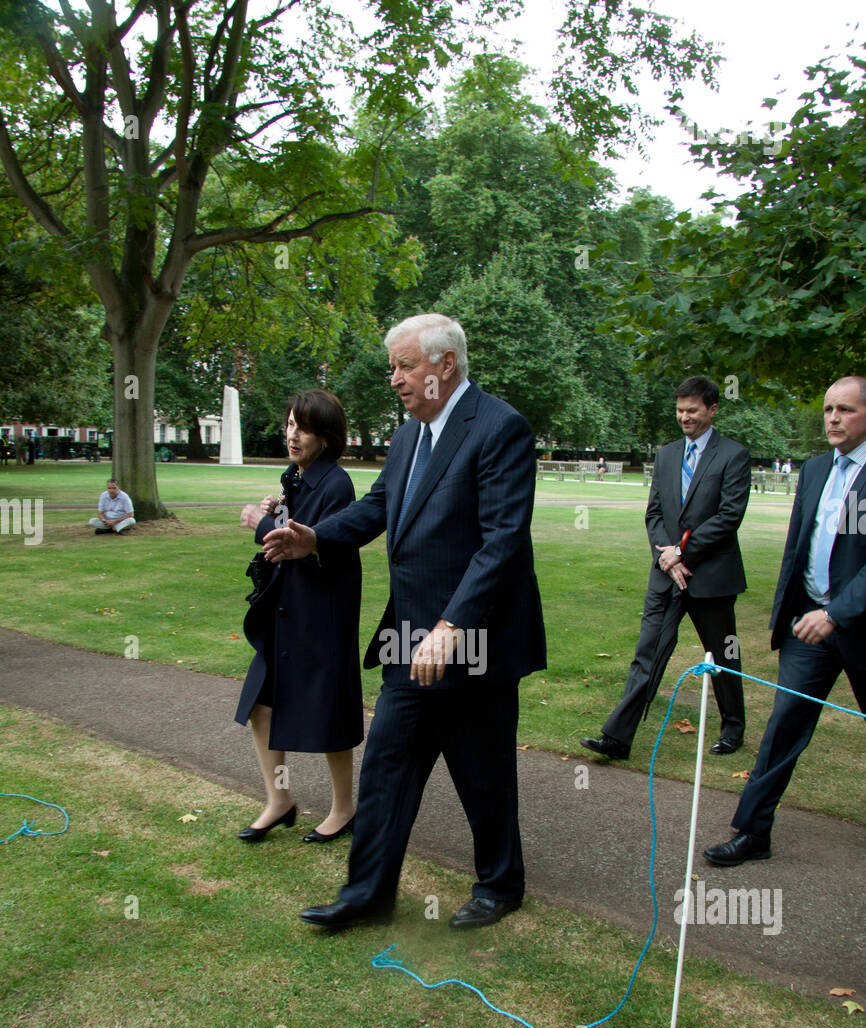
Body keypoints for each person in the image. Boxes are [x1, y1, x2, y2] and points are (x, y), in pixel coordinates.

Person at [263, 313, 546, 930]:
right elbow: (378, 507)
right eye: (394, 366)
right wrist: (315, 539)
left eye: (405, 365)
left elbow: (501, 544)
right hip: (407, 638)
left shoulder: (500, 429)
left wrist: (451, 627)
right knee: (388, 763)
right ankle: (367, 894)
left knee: (483, 772)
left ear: (445, 366)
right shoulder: (406, 436)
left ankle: (500, 885)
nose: (394, 378)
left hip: (474, 641)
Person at [704, 376, 866, 865]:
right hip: (808, 629)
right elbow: (799, 547)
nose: (833, 418)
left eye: (846, 410)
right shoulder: (816, 469)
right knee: (783, 727)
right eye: (828, 409)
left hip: (855, 626)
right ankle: (753, 832)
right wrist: (797, 611)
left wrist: (836, 614)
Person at [581, 375, 751, 761]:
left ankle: (733, 729)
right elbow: (654, 511)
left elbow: (728, 517)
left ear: (712, 409)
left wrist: (682, 554)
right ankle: (618, 738)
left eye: (692, 410)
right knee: (648, 652)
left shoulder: (734, 455)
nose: (685, 417)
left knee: (723, 655)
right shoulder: (668, 454)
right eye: (680, 410)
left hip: (710, 577)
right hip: (664, 574)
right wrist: (665, 555)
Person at [234, 389, 362, 843]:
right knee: (261, 705)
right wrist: (275, 511)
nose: (293, 434)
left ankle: (344, 808)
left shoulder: (336, 484)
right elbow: (287, 535)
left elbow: (318, 545)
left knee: (329, 711)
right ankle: (280, 800)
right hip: (284, 608)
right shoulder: (296, 475)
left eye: (303, 427)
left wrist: (261, 523)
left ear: (326, 436)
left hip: (319, 614)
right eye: (289, 424)